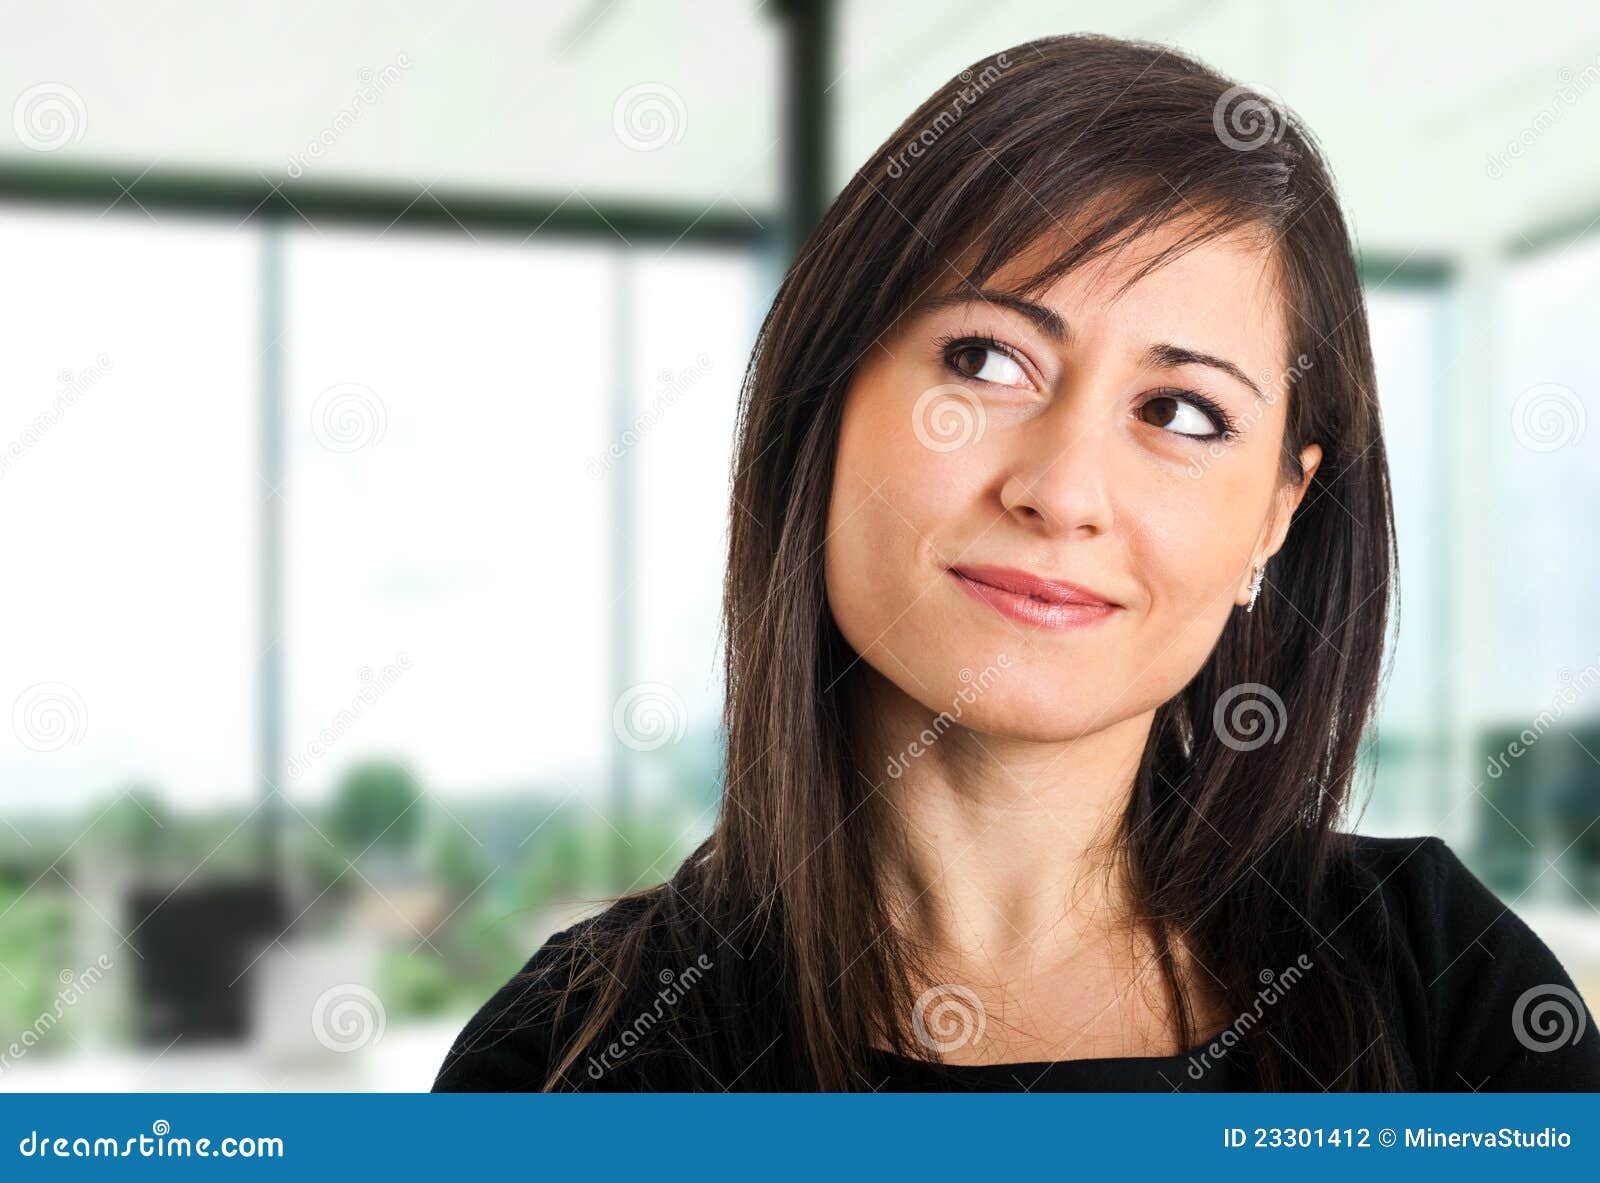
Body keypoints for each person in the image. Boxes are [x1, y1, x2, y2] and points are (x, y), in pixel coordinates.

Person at [433, 32, 1600, 1092]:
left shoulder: (1443, 982)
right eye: (986, 360)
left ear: (1274, 516)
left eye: (1182, 413)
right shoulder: (569, 1056)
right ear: (826, 403)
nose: (1060, 492)